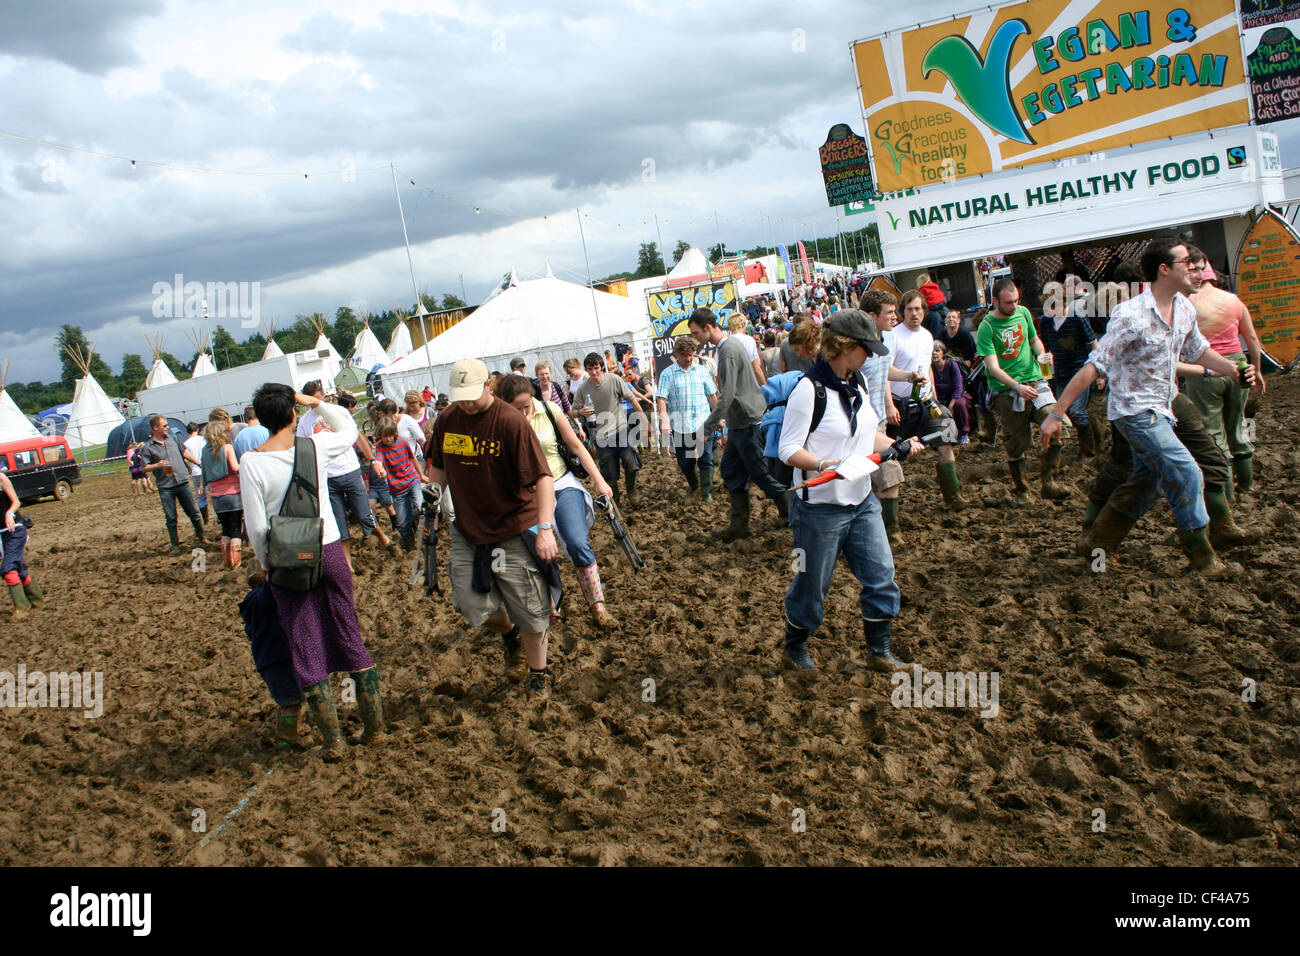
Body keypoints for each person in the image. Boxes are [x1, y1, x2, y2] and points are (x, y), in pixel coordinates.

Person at [1041, 238, 1255, 576]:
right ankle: (1202, 557)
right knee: (1186, 471)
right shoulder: (1131, 315)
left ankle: (1095, 545)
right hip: (1135, 413)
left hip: (1164, 407)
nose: (1196, 268)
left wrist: (1233, 368)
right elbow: (1094, 365)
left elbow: (1197, 350)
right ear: (1164, 269)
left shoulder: (1184, 309)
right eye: (1187, 262)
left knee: (1148, 480)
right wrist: (1055, 414)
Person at [240, 384, 384, 760]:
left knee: (305, 645)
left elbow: (256, 528)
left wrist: (267, 565)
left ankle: (333, 741)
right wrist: (318, 404)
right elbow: (350, 431)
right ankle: (375, 730)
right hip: (330, 549)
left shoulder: (251, 463)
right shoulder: (315, 448)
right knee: (348, 632)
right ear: (293, 414)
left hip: (288, 559)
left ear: (258, 419)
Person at [778, 310, 924, 671]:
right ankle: (795, 650)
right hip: (820, 511)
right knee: (813, 587)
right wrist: (825, 465)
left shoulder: (855, 381)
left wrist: (899, 443)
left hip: (862, 501)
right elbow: (787, 449)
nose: (872, 356)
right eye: (866, 348)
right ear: (845, 347)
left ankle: (880, 652)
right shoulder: (808, 391)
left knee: (881, 575)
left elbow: (866, 433)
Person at [427, 359, 560, 697]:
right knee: (472, 608)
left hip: (514, 527)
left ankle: (539, 673)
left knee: (531, 608)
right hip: (469, 530)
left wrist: (544, 529)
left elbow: (543, 478)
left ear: (488, 385)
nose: (467, 404)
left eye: (472, 395)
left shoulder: (510, 422)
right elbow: (438, 467)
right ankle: (509, 633)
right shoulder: (447, 420)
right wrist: (431, 497)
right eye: (461, 397)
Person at [498, 374, 616, 627]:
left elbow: (575, 445)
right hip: (526, 496)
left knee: (576, 541)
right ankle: (551, 607)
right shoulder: (500, 425)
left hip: (561, 484)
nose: (522, 412)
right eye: (515, 408)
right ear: (504, 405)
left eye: (526, 405)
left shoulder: (550, 410)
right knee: (538, 553)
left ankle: (598, 606)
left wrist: (599, 480)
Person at [691, 307, 790, 539]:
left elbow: (727, 394)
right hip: (740, 422)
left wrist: (707, 428)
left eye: (696, 333)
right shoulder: (729, 347)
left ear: (707, 328)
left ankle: (790, 513)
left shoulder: (728, 350)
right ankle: (739, 525)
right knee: (731, 469)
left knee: (761, 472)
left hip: (747, 421)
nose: (695, 339)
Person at [977, 278, 1070, 503]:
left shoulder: (1024, 313)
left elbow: (1034, 339)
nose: (1014, 306)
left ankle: (1049, 481)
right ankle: (1023, 489)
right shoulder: (986, 327)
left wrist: (1041, 354)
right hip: (1006, 391)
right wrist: (1017, 387)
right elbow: (992, 367)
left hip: (1036, 381)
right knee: (1017, 442)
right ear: (996, 301)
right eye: (1009, 302)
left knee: (1057, 424)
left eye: (1016, 301)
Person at [1183, 250, 1265, 499]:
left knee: (1213, 432)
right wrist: (1257, 371)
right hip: (1239, 366)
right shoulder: (1232, 300)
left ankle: (1225, 495)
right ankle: (1247, 486)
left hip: (1205, 370)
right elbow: (1251, 338)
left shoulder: (1186, 304)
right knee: (1238, 426)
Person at [298, 381, 387, 571]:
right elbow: (304, 450)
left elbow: (356, 436)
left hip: (349, 469)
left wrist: (373, 460)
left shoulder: (339, 412)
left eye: (316, 398)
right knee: (339, 524)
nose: (313, 402)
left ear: (321, 395)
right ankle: (347, 563)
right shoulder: (305, 422)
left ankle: (382, 535)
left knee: (364, 513)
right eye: (309, 399)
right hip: (327, 476)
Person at [891, 290, 967, 511]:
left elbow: (927, 368)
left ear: (924, 311)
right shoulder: (894, 336)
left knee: (945, 441)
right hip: (899, 404)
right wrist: (888, 405)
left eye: (918, 309)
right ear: (902, 311)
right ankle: (889, 514)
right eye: (910, 309)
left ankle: (953, 497)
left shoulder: (927, 336)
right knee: (892, 455)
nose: (915, 313)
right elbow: (884, 372)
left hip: (926, 401)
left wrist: (935, 396)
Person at [1038, 276, 1100, 459]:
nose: (1054, 309)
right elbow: (1047, 346)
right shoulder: (1046, 321)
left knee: (1077, 411)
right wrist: (1047, 357)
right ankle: (1095, 429)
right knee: (1064, 413)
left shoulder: (1077, 317)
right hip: (1061, 372)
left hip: (1080, 369)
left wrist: (1100, 373)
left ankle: (1088, 453)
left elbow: (1093, 342)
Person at [572, 353, 646, 506]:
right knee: (610, 474)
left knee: (631, 464)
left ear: (602, 367)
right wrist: (580, 412)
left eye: (596, 368)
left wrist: (644, 420)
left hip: (621, 430)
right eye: (590, 369)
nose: (593, 372)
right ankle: (616, 500)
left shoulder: (614, 380)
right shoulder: (583, 389)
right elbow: (572, 411)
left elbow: (631, 399)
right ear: (586, 369)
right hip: (601, 436)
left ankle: (631, 490)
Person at [657, 336, 720, 500]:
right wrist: (664, 419)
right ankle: (694, 485)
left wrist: (719, 417)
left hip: (703, 423)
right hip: (680, 426)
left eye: (691, 354)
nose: (689, 359)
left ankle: (707, 494)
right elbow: (661, 399)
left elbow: (712, 395)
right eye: (685, 355)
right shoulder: (667, 374)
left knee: (706, 459)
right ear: (677, 354)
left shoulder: (701, 371)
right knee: (685, 463)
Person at [138, 414, 206, 550]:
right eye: (164, 426)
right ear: (155, 428)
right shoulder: (147, 447)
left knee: (193, 511)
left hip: (182, 481)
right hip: (166, 486)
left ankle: (201, 536)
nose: (167, 427)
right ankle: (175, 544)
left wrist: (198, 463)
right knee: (170, 516)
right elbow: (143, 467)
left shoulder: (173, 439)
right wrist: (157, 466)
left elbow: (185, 453)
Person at [372, 419, 423, 551]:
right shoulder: (380, 448)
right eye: (384, 436)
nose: (388, 439)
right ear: (380, 436)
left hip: (412, 480)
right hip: (397, 487)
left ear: (394, 433)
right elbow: (379, 460)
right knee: (401, 522)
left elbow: (413, 459)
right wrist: (380, 469)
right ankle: (409, 545)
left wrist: (421, 475)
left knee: (419, 506)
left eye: (390, 435)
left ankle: (417, 523)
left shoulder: (403, 442)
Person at [201, 418, 244, 570]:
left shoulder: (205, 451)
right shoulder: (227, 448)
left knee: (225, 529)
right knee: (235, 530)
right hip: (233, 493)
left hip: (216, 496)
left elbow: (204, 472)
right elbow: (235, 467)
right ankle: (236, 563)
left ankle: (226, 561)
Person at [1, 471, 43, 616]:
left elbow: (16, 502)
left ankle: (21, 608)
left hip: (15, 530)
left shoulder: (1, 478)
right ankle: (37, 601)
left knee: (8, 569)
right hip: (2, 535)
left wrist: (9, 514)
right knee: (18, 567)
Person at [931, 342, 972, 444]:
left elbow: (959, 387)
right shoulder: (930, 367)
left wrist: (951, 404)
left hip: (956, 396)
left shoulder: (951, 365)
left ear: (943, 353)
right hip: (939, 397)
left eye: (937, 351)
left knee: (960, 405)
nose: (934, 353)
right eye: (932, 351)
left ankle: (964, 433)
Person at [182, 421, 207, 522]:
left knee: (200, 494)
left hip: (196, 471)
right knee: (213, 492)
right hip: (206, 469)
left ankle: (205, 518)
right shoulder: (203, 439)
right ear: (197, 429)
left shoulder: (186, 443)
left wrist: (189, 467)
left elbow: (185, 458)